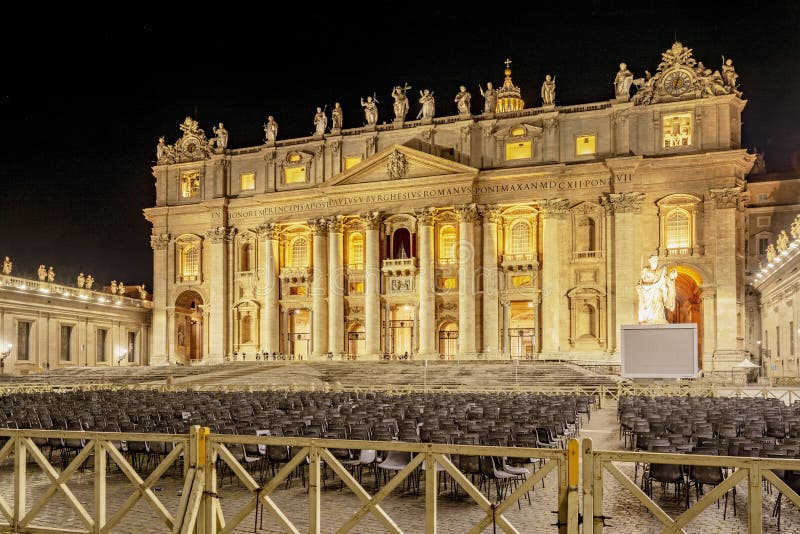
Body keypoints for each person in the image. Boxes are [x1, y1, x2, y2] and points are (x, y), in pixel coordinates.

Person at [636, 254, 678, 324]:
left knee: (657, 293)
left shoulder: (661, 270)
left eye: (655, 260)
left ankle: (657, 317)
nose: (654, 261)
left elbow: (665, 280)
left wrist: (671, 277)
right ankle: (647, 318)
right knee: (652, 293)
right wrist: (639, 286)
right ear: (649, 261)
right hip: (646, 290)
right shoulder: (645, 270)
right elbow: (641, 281)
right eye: (652, 260)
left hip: (657, 290)